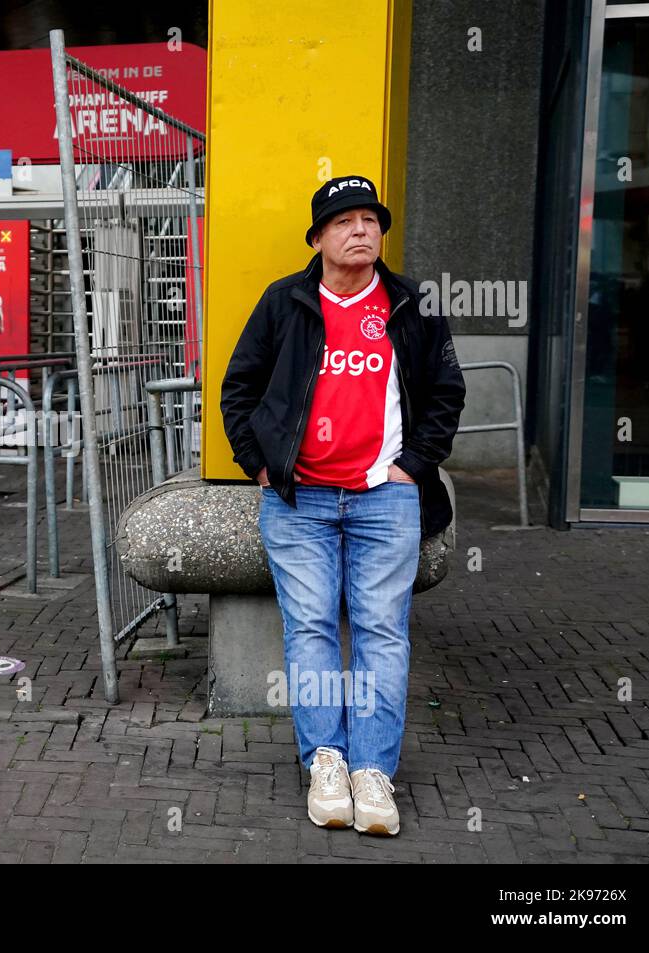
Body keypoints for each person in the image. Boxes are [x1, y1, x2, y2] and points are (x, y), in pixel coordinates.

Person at [220, 175, 465, 836]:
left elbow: (446, 391)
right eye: (345, 220)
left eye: (370, 219)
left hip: (386, 499)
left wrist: (413, 466)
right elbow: (237, 388)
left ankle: (372, 770)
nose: (361, 230)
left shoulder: (412, 303)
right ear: (320, 237)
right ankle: (326, 759)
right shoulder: (285, 302)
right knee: (311, 628)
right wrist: (260, 464)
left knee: (384, 630)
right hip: (300, 499)